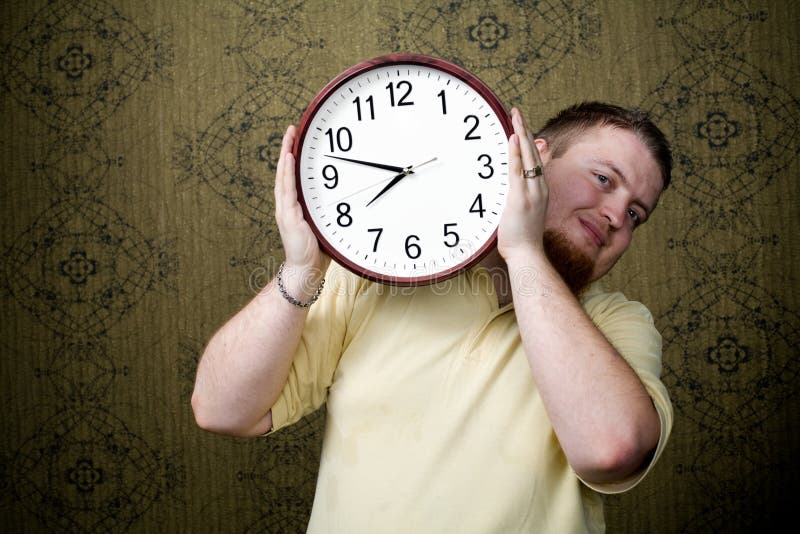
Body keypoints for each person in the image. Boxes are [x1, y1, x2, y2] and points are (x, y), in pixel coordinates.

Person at [191, 102, 674, 533]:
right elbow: (221, 409)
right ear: (533, 157)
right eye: (604, 180)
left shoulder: (619, 323)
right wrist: (300, 272)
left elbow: (609, 451)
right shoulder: (377, 273)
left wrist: (524, 251)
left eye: (636, 214)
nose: (615, 215)